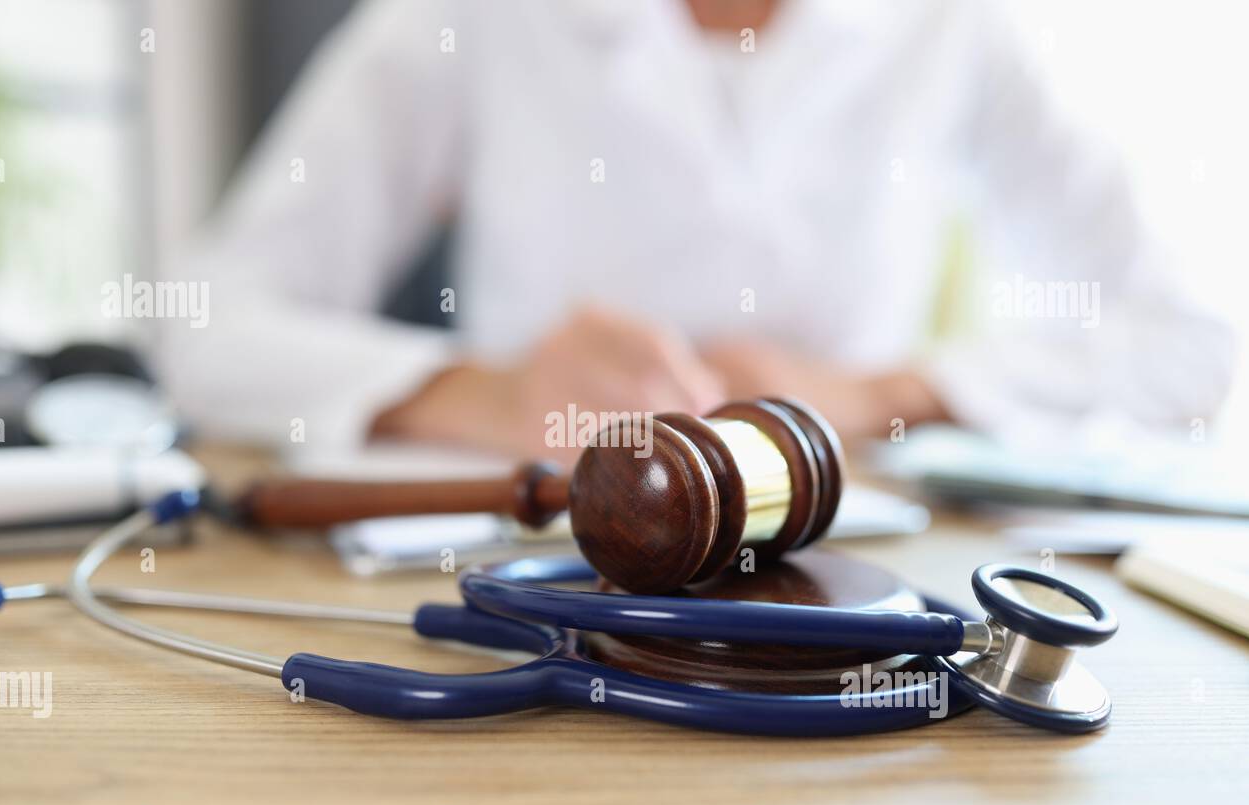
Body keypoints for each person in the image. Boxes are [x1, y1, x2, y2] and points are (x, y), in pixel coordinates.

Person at [160, 0, 1234, 461]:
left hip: (854, 600)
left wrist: (884, 394)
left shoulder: (952, 25)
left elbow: (1190, 347)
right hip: (544, 568)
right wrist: (486, 393)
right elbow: (205, 322)